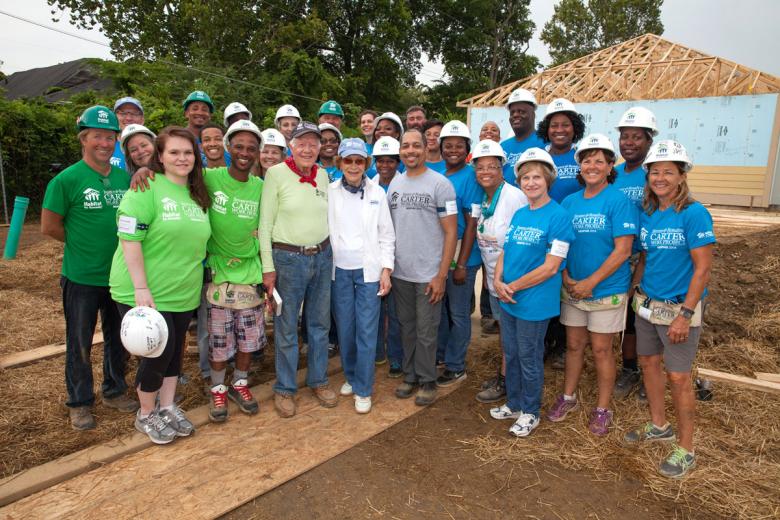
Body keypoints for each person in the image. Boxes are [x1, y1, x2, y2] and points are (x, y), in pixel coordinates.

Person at [110, 126, 211, 444]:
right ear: (160, 157)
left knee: (174, 354)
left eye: (188, 152)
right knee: (156, 354)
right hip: (144, 290)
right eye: (174, 152)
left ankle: (167, 406)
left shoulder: (197, 193)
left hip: (182, 290)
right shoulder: (146, 187)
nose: (182, 158)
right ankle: (146, 413)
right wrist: (141, 288)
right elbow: (129, 237)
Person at [41, 105, 137, 430]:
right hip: (81, 277)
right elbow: (50, 226)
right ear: (84, 139)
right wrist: (81, 244)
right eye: (97, 136)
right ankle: (80, 402)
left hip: (118, 277)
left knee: (119, 338)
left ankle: (114, 390)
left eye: (110, 137)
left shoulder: (125, 178)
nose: (105, 143)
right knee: (79, 341)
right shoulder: (66, 180)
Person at [624, 140, 715, 479]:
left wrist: (686, 314)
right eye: (655, 172)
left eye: (668, 172)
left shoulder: (693, 213)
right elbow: (646, 257)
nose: (660, 177)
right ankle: (659, 424)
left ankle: (686, 448)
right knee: (648, 363)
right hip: (647, 305)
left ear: (681, 176)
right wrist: (634, 287)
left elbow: (703, 268)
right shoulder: (649, 212)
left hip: (679, 309)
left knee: (678, 377)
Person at [547, 134, 638, 437]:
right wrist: (566, 277)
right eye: (587, 160)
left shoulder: (619, 201)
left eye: (600, 160)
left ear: (611, 165)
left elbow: (623, 251)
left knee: (601, 350)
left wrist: (591, 282)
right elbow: (558, 244)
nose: (592, 165)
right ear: (579, 166)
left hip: (606, 288)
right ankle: (568, 397)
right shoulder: (570, 201)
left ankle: (602, 408)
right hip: (573, 286)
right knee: (574, 345)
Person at [490, 147, 574, 437]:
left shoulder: (558, 216)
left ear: (548, 179)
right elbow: (506, 250)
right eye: (525, 177)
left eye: (537, 177)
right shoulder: (521, 213)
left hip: (534, 302)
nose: (530, 182)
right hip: (509, 298)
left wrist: (512, 286)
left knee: (528, 356)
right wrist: (498, 280)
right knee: (510, 353)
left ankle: (530, 411)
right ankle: (514, 404)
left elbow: (552, 267)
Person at [259, 121, 337, 418]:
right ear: (291, 146)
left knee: (319, 325)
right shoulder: (276, 174)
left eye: (313, 143)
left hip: (322, 256)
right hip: (288, 259)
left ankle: (318, 380)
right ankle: (285, 388)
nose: (307, 148)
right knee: (287, 325)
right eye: (301, 143)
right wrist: (268, 268)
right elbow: (265, 224)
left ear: (320, 148)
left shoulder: (324, 176)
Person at [388, 128, 457, 406]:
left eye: (416, 145)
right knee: (407, 326)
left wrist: (442, 275)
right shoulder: (395, 184)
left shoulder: (441, 185)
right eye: (406, 146)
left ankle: (428, 380)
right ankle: (411, 375)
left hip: (430, 273)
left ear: (427, 148)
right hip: (401, 272)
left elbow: (451, 232)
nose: (411, 151)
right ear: (400, 150)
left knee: (428, 329)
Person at [203, 120, 266, 422]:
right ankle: (217, 388)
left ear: (257, 153)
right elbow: (175, 172)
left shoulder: (261, 188)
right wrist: (145, 169)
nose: (244, 152)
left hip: (250, 275)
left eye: (251, 148)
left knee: (248, 339)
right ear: (228, 148)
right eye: (238, 146)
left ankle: (239, 382)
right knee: (219, 340)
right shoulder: (210, 177)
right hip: (219, 275)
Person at [329, 138, 396, 413]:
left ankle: (364, 388)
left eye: (359, 161)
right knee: (345, 329)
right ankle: (351, 375)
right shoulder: (330, 190)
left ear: (366, 164)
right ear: (340, 163)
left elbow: (387, 234)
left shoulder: (377, 193)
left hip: (369, 271)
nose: (354, 166)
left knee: (367, 330)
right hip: (339, 271)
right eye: (348, 160)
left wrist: (386, 270)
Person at [470, 140, 528, 403]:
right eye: (480, 167)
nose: (485, 172)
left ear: (501, 168)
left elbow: (526, 241)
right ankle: (507, 377)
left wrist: (508, 279)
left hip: (513, 281)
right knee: (506, 335)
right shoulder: (484, 197)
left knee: (515, 337)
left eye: (491, 166)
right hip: (495, 281)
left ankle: (510, 383)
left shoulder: (514, 197)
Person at [535, 98, 586, 370]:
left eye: (566, 124)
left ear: (574, 128)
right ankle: (544, 342)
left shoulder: (581, 157)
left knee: (564, 286)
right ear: (547, 128)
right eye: (554, 125)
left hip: (573, 233)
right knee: (546, 284)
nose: (560, 130)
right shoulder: (539, 154)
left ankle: (563, 346)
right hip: (542, 232)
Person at [612, 107, 658, 401]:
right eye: (625, 137)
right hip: (620, 255)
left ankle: (651, 372)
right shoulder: (613, 174)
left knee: (650, 317)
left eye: (636, 137)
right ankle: (630, 369)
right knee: (628, 318)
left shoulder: (655, 173)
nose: (629, 142)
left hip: (650, 256)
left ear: (649, 140)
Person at [435, 120, 482, 386]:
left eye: (459, 146)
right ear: (441, 148)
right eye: (448, 145)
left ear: (467, 149)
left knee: (459, 313)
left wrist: (462, 263)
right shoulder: (441, 175)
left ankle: (456, 365)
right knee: (441, 311)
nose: (453, 150)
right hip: (442, 253)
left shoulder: (470, 178)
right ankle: (442, 356)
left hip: (462, 254)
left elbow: (472, 221)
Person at [371, 136, 404, 376]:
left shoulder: (404, 184)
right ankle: (377, 353)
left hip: (399, 254)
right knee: (376, 308)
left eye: (390, 161)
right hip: (375, 255)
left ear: (398, 162)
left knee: (394, 311)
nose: (385, 165)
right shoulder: (370, 184)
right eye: (380, 161)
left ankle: (395, 357)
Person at [500, 88, 545, 186]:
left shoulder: (544, 142)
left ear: (533, 114)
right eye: (512, 112)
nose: (515, 115)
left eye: (521, 111)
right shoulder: (503, 146)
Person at [367, 112, 405, 179]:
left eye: (388, 128)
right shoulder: (366, 152)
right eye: (378, 129)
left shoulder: (405, 157)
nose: (381, 131)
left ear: (397, 134)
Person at [111, 97, 145, 170]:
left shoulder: (153, 146)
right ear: (114, 118)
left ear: (142, 120)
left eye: (135, 114)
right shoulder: (105, 145)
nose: (128, 118)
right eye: (122, 113)